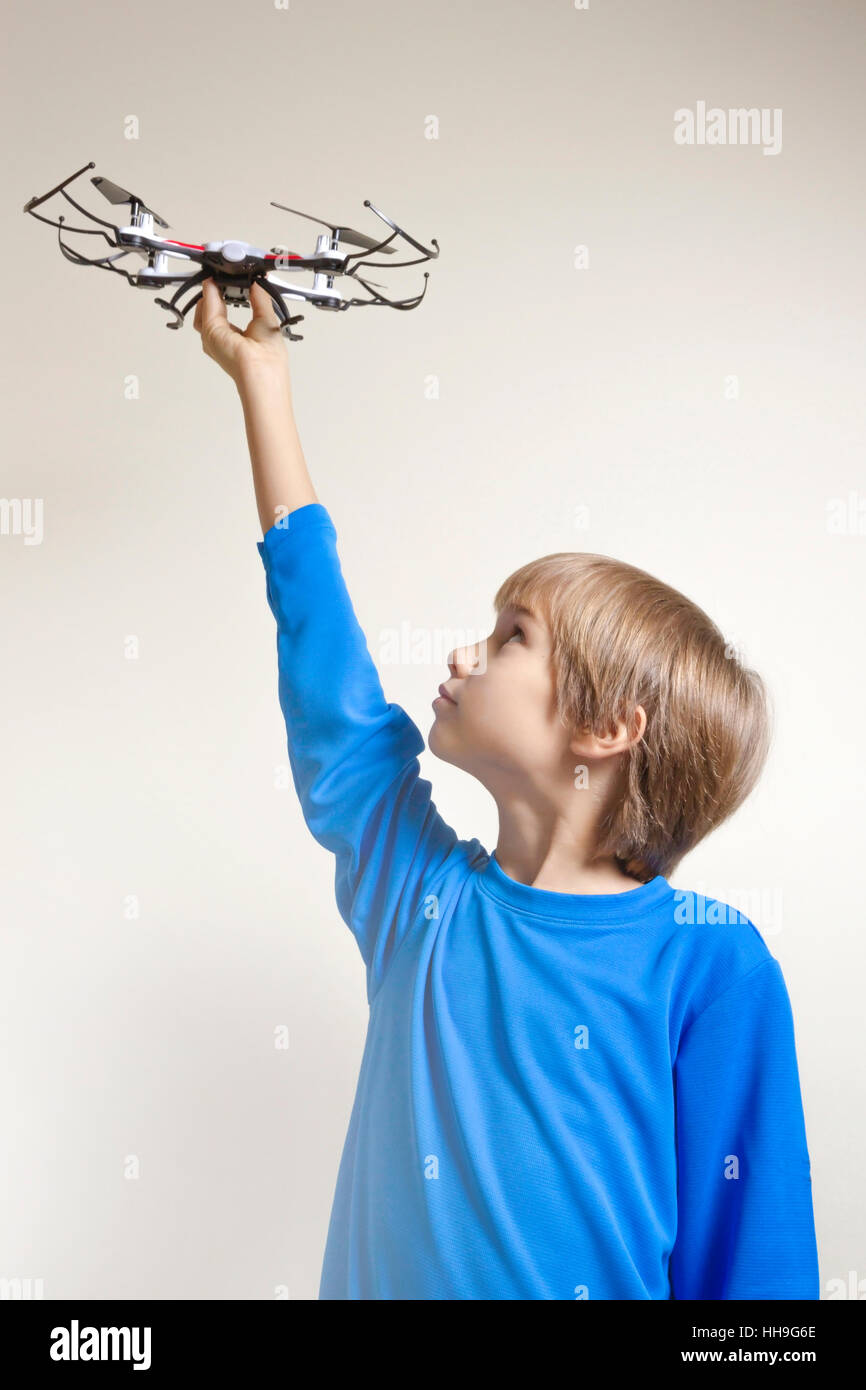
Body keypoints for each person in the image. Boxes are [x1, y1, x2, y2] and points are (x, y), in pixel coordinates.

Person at [194, 277, 820, 1300]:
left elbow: (756, 1280)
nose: (464, 651)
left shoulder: (710, 964)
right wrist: (263, 381)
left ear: (606, 726)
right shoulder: (420, 903)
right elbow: (335, 709)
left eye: (510, 635)